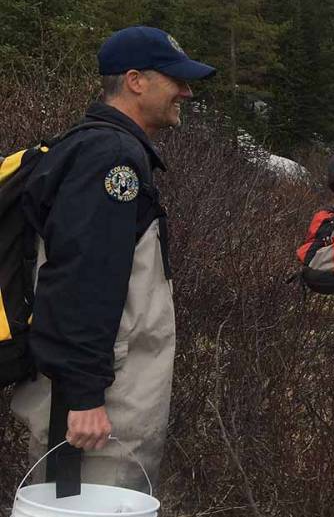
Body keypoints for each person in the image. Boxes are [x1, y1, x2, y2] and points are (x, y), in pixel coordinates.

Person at [12, 26, 216, 490]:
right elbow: (83, 278)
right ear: (135, 80)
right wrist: (83, 397)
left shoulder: (96, 146)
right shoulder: (111, 158)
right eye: (175, 79)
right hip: (99, 402)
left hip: (101, 384)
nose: (185, 91)